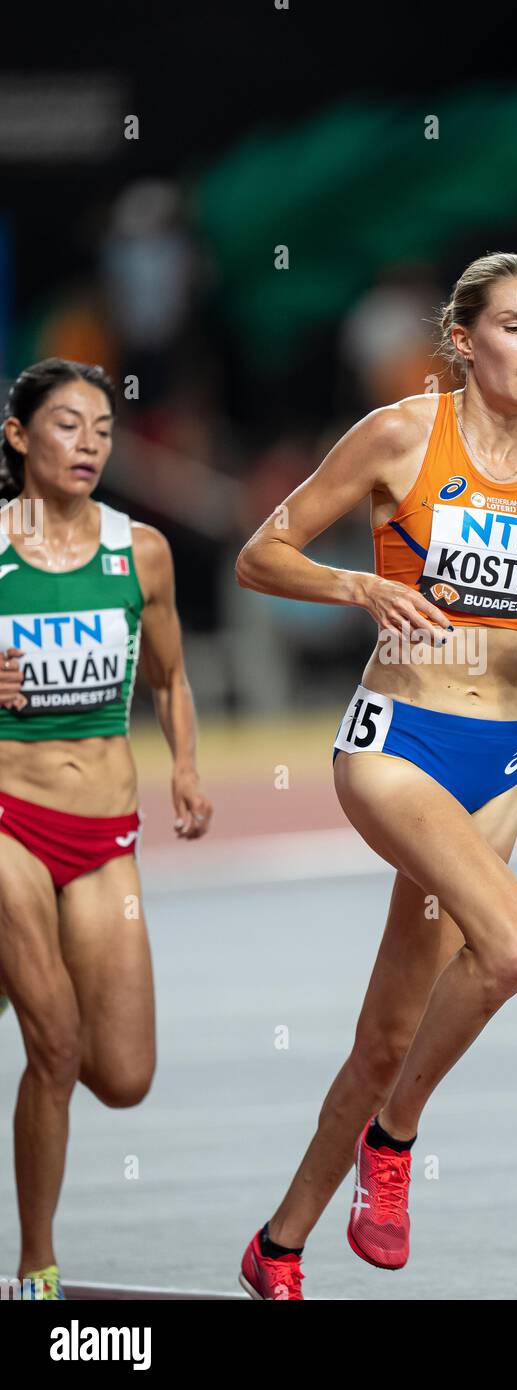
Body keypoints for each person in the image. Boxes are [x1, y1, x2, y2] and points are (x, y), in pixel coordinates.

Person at [235, 252, 517, 1300]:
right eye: (514, 327)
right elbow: (260, 553)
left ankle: (277, 1246)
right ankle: (395, 1139)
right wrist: (358, 585)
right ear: (461, 339)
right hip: (396, 741)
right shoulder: (399, 434)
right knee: (510, 947)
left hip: (504, 756)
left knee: (386, 1032)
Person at [0, 357, 212, 1299]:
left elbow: (168, 675)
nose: (88, 445)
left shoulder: (143, 553)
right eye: (65, 427)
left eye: (102, 430)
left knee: (121, 1075)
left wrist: (188, 769)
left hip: (103, 834)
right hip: (7, 818)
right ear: (18, 437)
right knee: (52, 1043)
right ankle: (37, 1261)